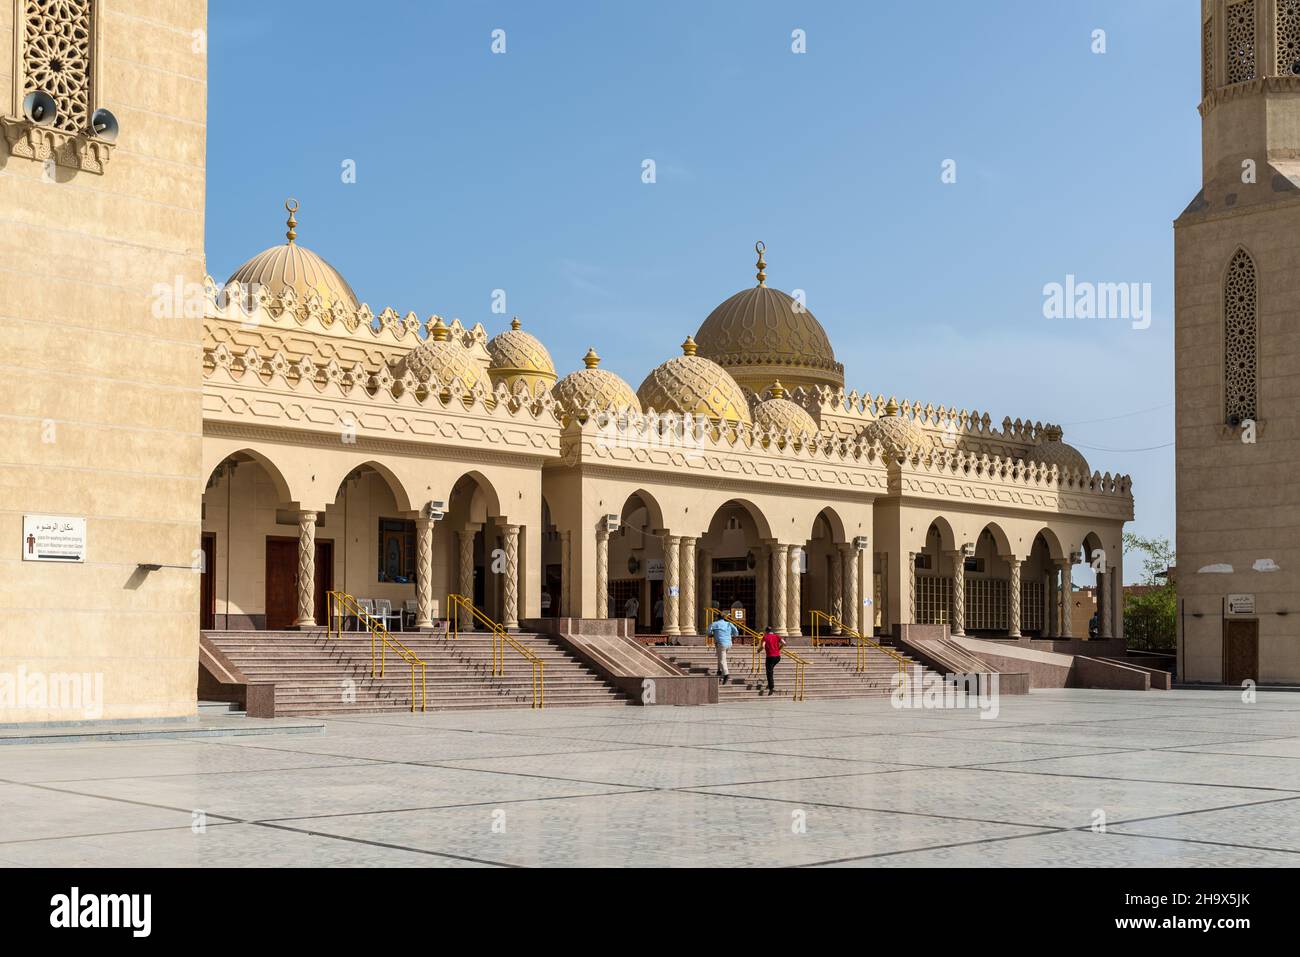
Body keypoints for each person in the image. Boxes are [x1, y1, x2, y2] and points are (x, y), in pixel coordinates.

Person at [707, 614, 739, 684]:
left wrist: (713, 634)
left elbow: (709, 633)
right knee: (720, 656)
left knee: (722, 660)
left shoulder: (714, 624)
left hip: (721, 643)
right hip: (729, 643)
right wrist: (733, 637)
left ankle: (726, 674)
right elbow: (736, 632)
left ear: (717, 618)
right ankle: (719, 670)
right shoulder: (729, 623)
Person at [761, 628, 786, 696]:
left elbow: (763, 646)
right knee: (770, 669)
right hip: (777, 657)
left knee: (769, 672)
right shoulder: (777, 636)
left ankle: (771, 687)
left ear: (766, 631)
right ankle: (770, 685)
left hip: (770, 657)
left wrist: (759, 650)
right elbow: (784, 643)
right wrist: (779, 649)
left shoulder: (765, 637)